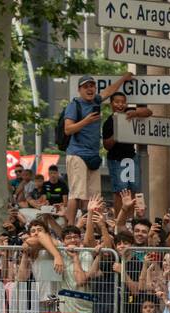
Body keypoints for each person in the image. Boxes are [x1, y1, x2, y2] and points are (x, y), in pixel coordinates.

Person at [63, 74, 132, 225]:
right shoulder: (74, 105)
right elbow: (68, 129)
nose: (89, 89)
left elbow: (108, 91)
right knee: (76, 194)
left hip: (93, 156)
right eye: (86, 86)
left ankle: (93, 229)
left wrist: (122, 79)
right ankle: (69, 228)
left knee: (95, 197)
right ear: (79, 90)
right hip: (77, 154)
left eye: (92, 86)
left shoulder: (96, 101)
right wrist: (86, 121)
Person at [101, 92, 152, 211]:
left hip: (131, 158)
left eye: (123, 102)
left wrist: (135, 113)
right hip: (116, 160)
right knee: (120, 191)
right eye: (117, 102)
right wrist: (118, 132)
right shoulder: (108, 122)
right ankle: (119, 223)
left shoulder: (129, 112)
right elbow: (106, 145)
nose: (120, 104)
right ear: (111, 104)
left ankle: (130, 221)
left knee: (134, 190)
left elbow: (149, 112)